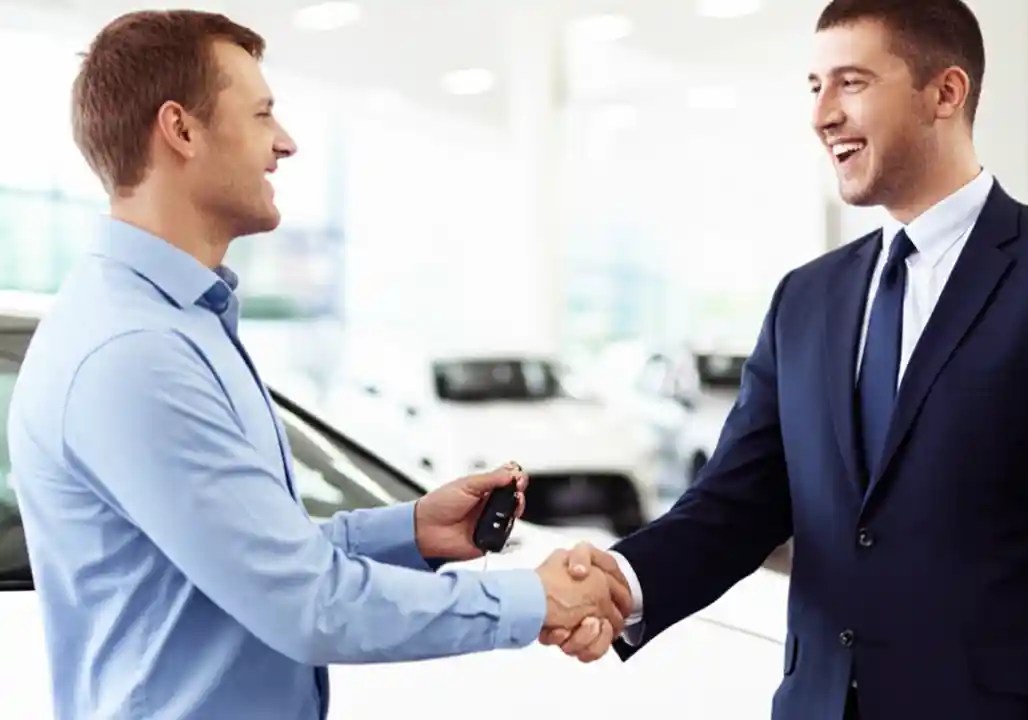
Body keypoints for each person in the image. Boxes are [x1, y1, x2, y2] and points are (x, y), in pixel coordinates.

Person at [544, 1, 1028, 718]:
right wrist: (622, 579)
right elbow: (735, 506)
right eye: (814, 86)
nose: (822, 115)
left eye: (851, 82)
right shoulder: (805, 300)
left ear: (945, 92)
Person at [5, 10, 625, 719]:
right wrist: (534, 597)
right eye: (263, 113)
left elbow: (252, 554)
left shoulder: (170, 326)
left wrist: (414, 529)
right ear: (181, 130)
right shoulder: (134, 355)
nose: (286, 143)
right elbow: (304, 601)